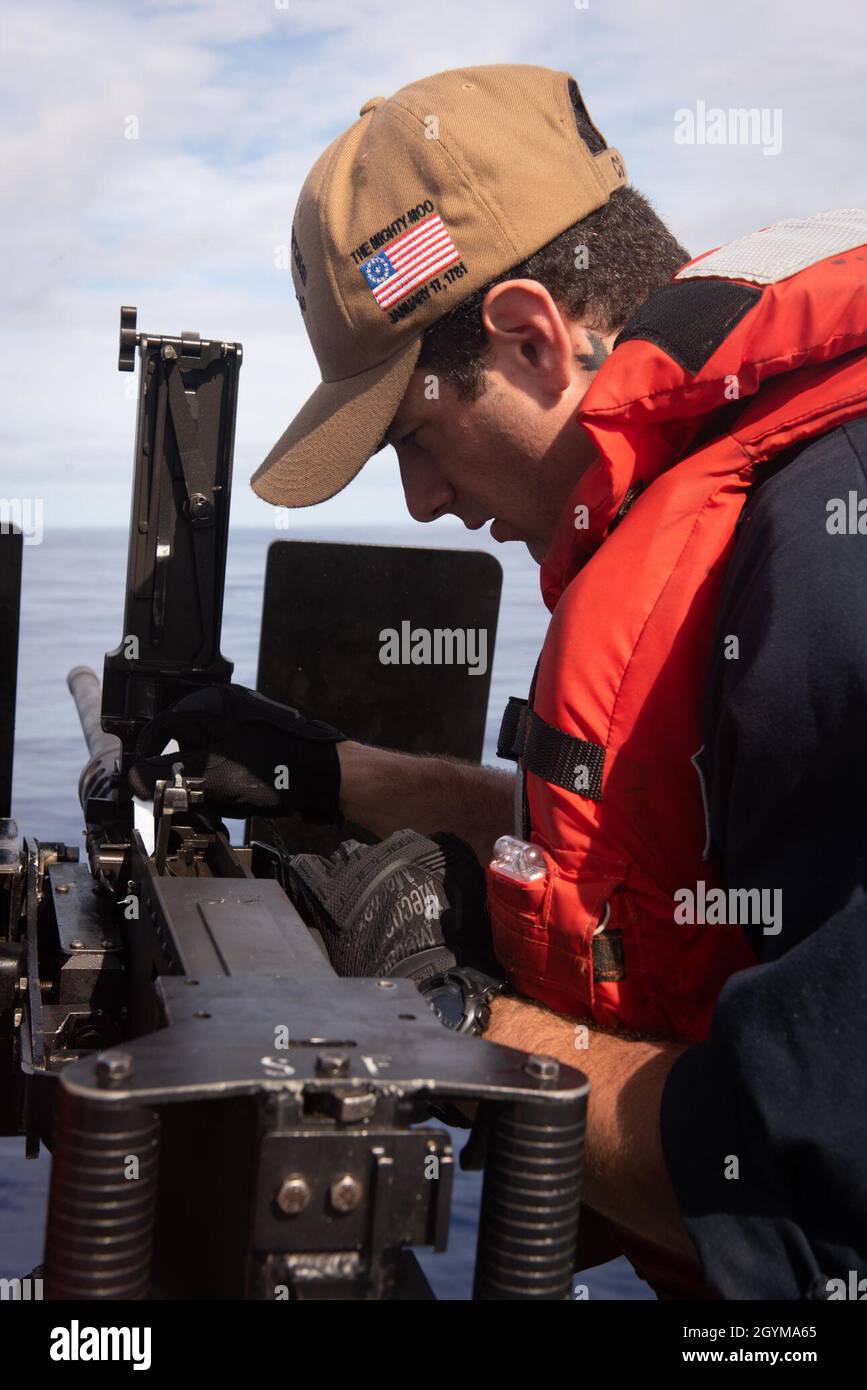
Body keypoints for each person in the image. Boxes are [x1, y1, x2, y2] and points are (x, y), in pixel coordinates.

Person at [131, 66, 867, 1300]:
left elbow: (802, 1184)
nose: (423, 502)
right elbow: (674, 857)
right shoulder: (754, 509)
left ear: (531, 336)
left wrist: (452, 1025)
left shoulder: (824, 565)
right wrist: (334, 772)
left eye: (413, 436)